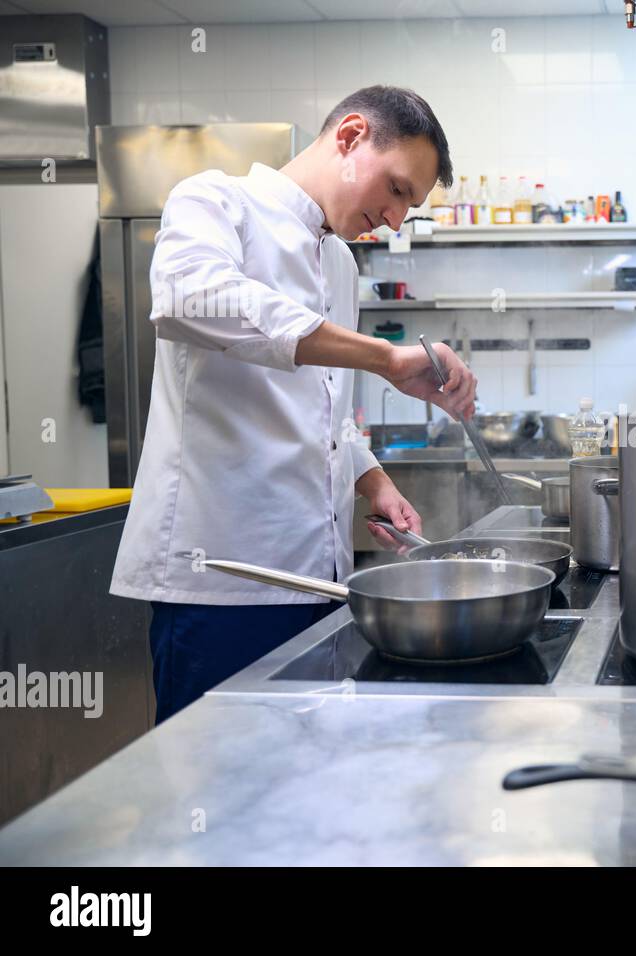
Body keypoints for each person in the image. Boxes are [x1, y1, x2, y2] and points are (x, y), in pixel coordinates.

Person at [109, 86, 477, 722]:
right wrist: (386, 358)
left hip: (321, 580)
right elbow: (187, 297)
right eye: (395, 190)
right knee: (215, 795)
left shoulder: (339, 262)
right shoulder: (218, 200)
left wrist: (373, 479)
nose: (393, 219)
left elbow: (323, 409)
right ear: (351, 136)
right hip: (221, 582)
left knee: (301, 794)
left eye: (408, 207)